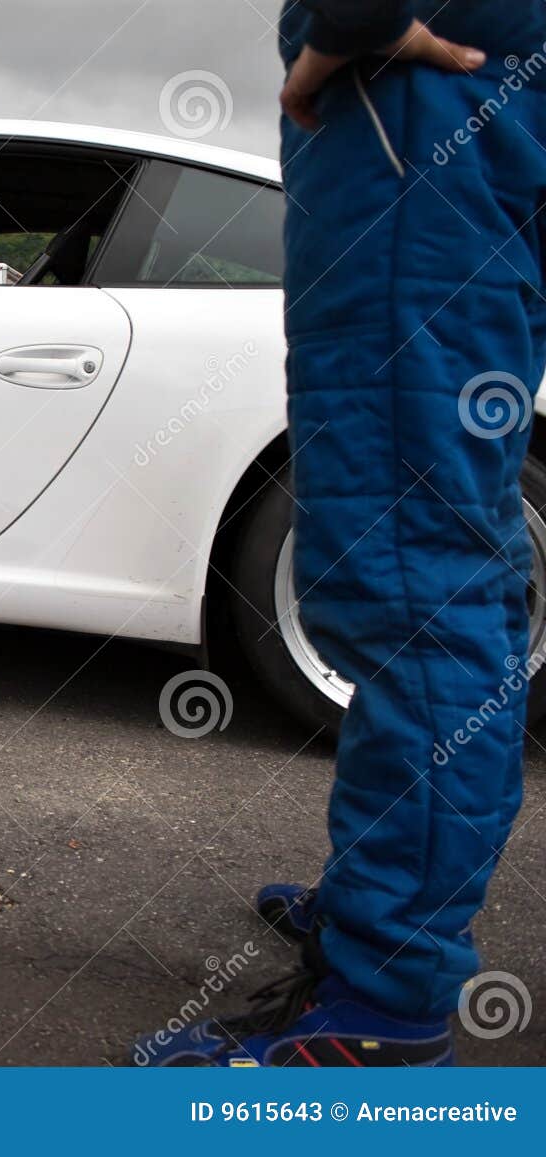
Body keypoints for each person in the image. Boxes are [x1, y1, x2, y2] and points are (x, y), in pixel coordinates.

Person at [138, 0, 546, 1066]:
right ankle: (380, 902)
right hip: (465, 133)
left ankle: (381, 993)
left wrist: (343, 29)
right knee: (455, 556)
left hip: (413, 135)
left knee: (410, 588)